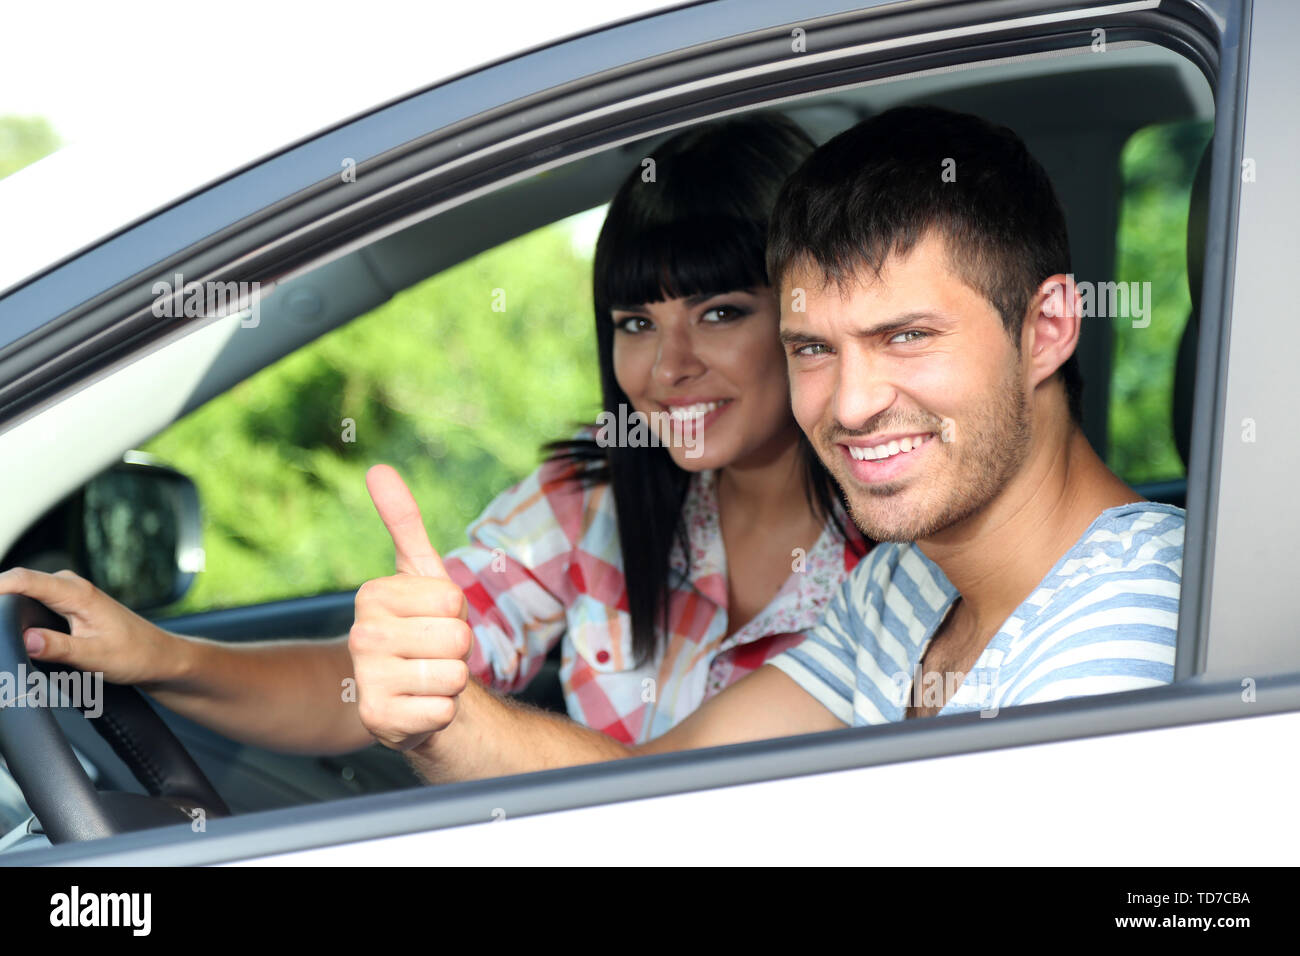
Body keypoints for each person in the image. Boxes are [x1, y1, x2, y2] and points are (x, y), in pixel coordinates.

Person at [348, 105, 1184, 783]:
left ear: (1047, 328)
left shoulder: (1128, 627)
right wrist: (445, 712)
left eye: (907, 336)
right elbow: (656, 791)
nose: (851, 405)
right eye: (813, 348)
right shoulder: (904, 586)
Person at [0, 112, 869, 754]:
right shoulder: (585, 506)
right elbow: (356, 692)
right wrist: (162, 656)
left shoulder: (906, 531)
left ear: (809, 314)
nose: (668, 366)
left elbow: (684, 793)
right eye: (635, 322)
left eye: (721, 312)